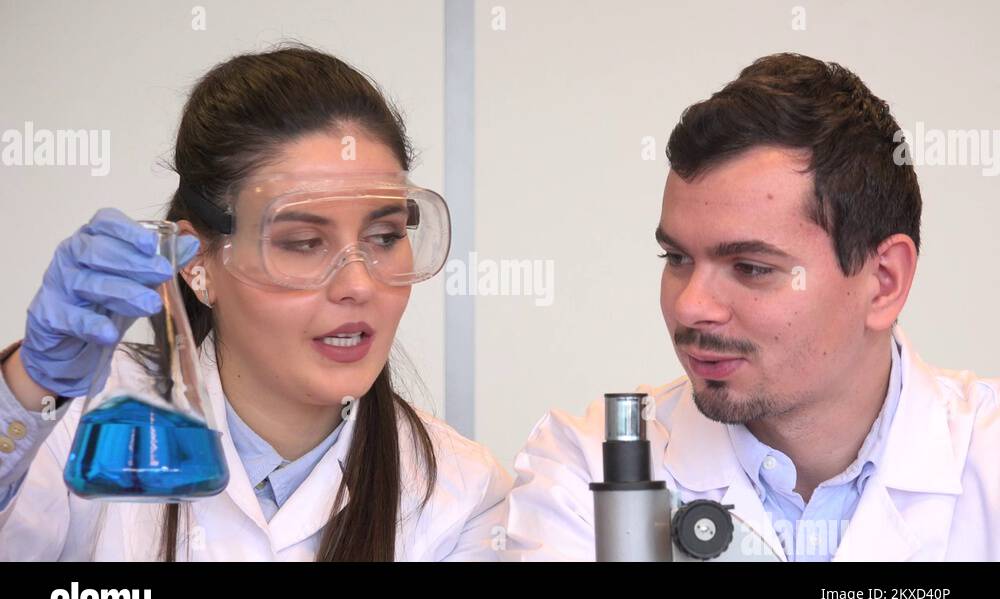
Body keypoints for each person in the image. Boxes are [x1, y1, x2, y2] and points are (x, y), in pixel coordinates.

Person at [0, 45, 511, 561]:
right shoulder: (83, 423)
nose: (359, 284)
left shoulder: (459, 492)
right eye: (303, 242)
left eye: (385, 235)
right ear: (196, 260)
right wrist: (30, 386)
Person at [503, 53, 1000, 562]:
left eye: (750, 267)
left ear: (884, 282)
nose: (691, 306)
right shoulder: (584, 469)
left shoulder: (989, 454)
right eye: (676, 258)